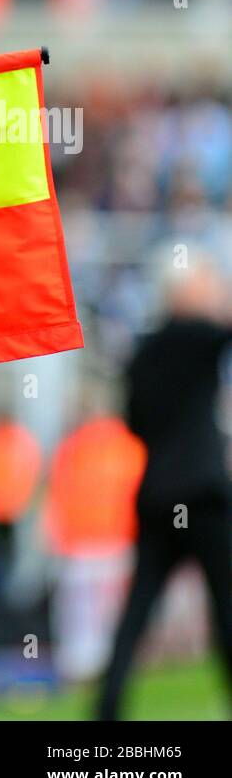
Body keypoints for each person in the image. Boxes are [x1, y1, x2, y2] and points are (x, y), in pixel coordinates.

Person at [96, 256, 232, 719]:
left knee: (136, 613)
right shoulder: (196, 337)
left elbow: (133, 422)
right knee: (226, 607)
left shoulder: (142, 351)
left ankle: (108, 707)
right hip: (204, 496)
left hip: (156, 496)